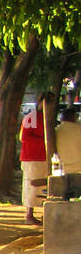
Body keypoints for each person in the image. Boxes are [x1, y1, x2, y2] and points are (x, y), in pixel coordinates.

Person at [20, 92, 56, 225]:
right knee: (32, 185)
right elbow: (24, 137)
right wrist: (44, 141)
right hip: (32, 157)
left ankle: (42, 213)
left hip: (44, 157)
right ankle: (29, 214)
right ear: (41, 101)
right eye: (48, 101)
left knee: (43, 186)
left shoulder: (48, 118)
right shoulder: (32, 117)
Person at [55, 106, 81, 175]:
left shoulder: (57, 130)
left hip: (63, 168)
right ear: (74, 117)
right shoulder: (79, 129)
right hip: (79, 167)